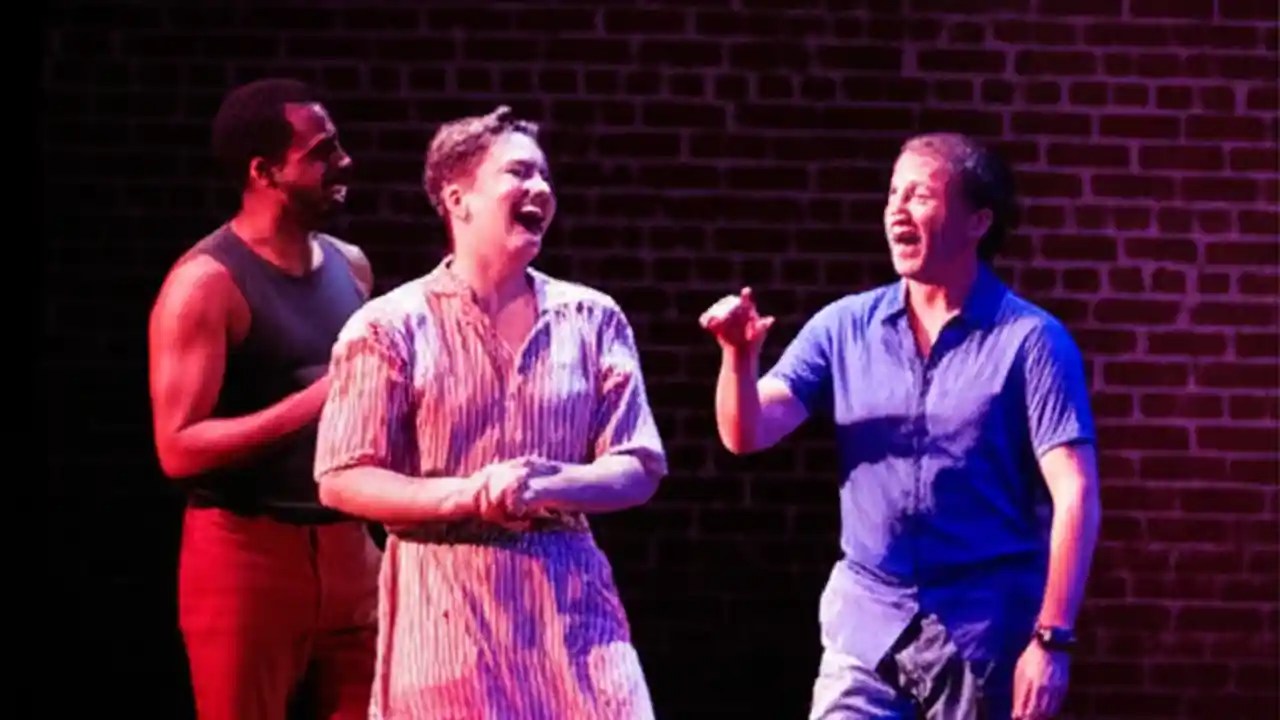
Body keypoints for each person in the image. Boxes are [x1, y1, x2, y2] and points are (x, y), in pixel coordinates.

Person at [699, 132, 1101, 720]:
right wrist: (738, 356)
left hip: (980, 634)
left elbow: (1076, 492)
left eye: (920, 195)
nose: (897, 210)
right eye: (893, 194)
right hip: (867, 628)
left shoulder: (1031, 341)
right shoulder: (845, 326)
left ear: (978, 221)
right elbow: (747, 432)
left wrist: (1052, 639)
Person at [313, 105, 667, 719]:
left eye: (545, 176)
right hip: (448, 614)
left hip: (570, 613)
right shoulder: (390, 327)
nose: (540, 189)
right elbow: (342, 477)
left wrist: (550, 484)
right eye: (519, 173)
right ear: (458, 199)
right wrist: (469, 495)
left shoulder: (591, 318)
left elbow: (637, 466)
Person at [147, 78, 380, 720]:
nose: (344, 162)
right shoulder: (206, 284)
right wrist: (321, 398)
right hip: (246, 555)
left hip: (349, 548)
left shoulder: (351, 267)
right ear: (264, 171)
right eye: (322, 152)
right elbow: (177, 447)